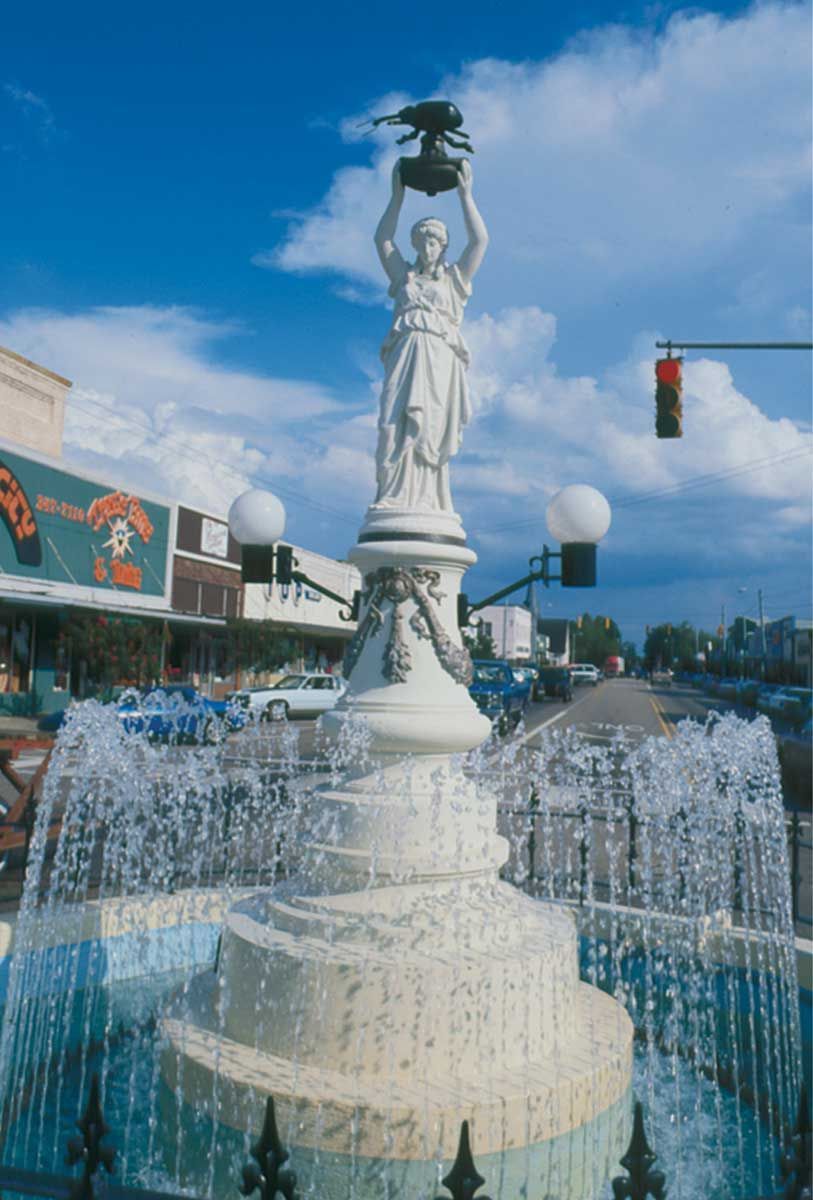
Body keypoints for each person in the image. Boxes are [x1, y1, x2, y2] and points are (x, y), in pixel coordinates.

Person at [371, 159, 488, 513]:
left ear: (443, 246)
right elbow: (382, 239)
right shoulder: (403, 277)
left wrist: (466, 196)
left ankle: (429, 502)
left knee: (430, 430)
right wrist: (397, 197)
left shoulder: (454, 280)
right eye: (422, 240)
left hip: (438, 363)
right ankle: (391, 496)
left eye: (434, 241)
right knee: (392, 424)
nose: (428, 246)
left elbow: (480, 241)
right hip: (405, 355)